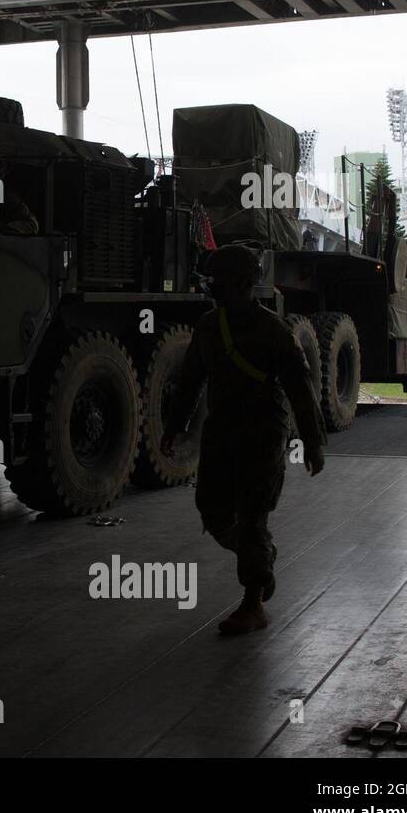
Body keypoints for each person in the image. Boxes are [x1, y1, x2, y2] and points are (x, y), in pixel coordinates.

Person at [163, 244, 326, 636]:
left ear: (240, 283)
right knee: (213, 510)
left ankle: (253, 603)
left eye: (219, 282)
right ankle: (262, 558)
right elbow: (190, 382)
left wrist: (313, 442)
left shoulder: (273, 330)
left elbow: (300, 389)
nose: (213, 288)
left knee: (253, 517)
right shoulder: (207, 327)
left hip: (263, 434)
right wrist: (174, 426)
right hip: (221, 432)